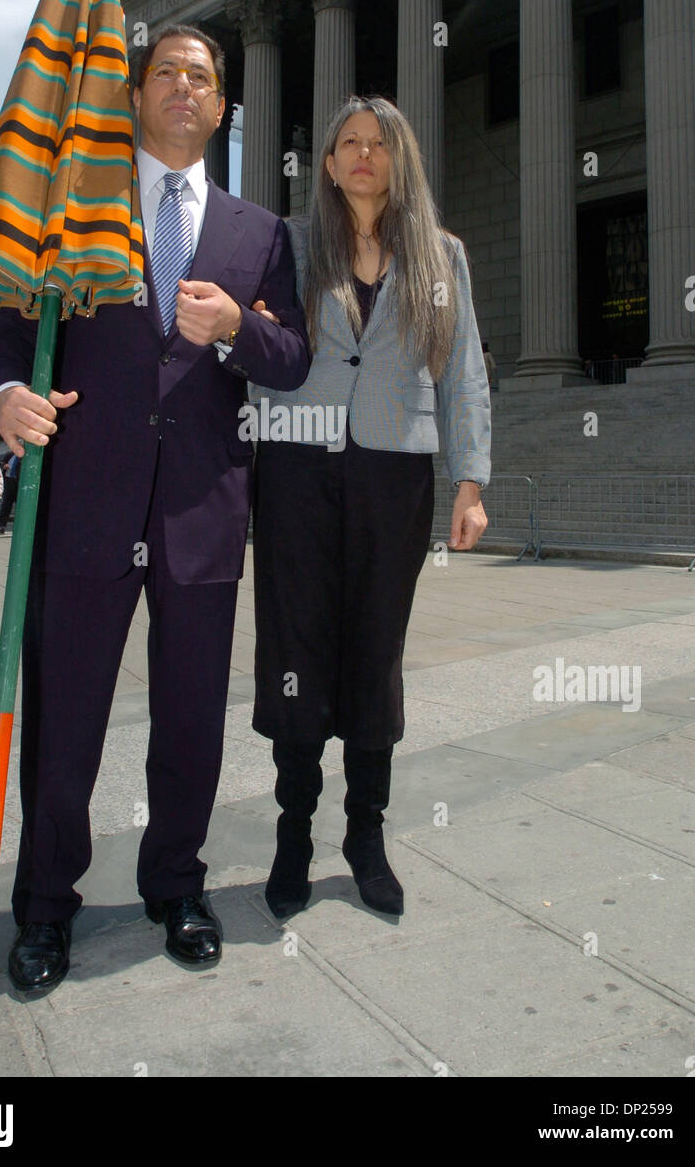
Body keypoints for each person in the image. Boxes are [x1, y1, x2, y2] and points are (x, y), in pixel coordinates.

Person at [0, 23, 309, 992]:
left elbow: (291, 360)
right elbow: (7, 335)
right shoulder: (76, 211)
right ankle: (45, 905)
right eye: (163, 71)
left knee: (191, 716)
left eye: (200, 77)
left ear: (222, 108)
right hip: (86, 503)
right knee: (65, 712)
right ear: (132, 97)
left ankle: (177, 881)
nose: (181, 86)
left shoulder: (262, 235)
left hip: (204, 514)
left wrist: (236, 326)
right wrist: (5, 402)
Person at [249, 96, 490, 921]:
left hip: (394, 471)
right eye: (346, 143)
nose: (361, 155)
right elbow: (259, 345)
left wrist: (470, 481)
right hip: (294, 467)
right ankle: (291, 834)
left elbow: (461, 372)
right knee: (295, 641)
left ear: (399, 159)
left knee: (374, 649)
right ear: (325, 162)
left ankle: (365, 834)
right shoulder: (286, 243)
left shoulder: (440, 254)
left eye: (377, 144)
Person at [0, 451, 20, 533]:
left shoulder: (25, 455)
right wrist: (4, 465)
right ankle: (1, 526)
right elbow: (2, 462)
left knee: (19, 506)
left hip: (19, 483)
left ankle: (19, 527)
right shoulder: (10, 454)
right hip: (9, 481)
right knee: (5, 505)